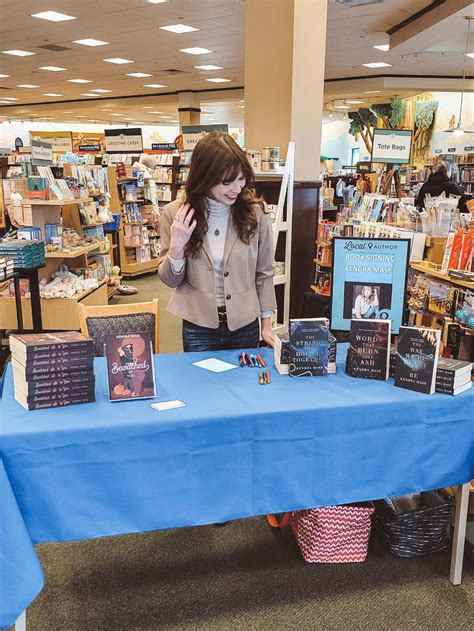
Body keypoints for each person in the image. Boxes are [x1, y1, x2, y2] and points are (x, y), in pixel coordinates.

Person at [158, 132, 276, 352]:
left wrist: (267, 324)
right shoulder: (175, 213)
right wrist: (176, 247)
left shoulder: (255, 213)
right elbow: (170, 280)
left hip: (245, 322)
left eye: (241, 179)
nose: (237, 188)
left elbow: (265, 272)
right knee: (201, 384)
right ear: (205, 177)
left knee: (244, 383)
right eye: (227, 181)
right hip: (198, 324)